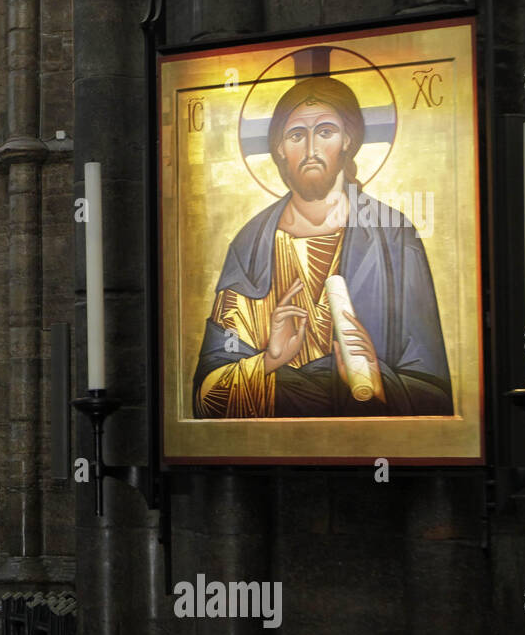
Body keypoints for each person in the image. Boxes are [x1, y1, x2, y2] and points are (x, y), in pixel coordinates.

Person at [193, 75, 452, 418]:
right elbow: (208, 395)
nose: (311, 149)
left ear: (348, 139)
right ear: (280, 148)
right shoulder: (250, 245)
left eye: (325, 132)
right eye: (297, 135)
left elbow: (434, 393)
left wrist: (377, 380)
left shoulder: (393, 237)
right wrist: (270, 360)